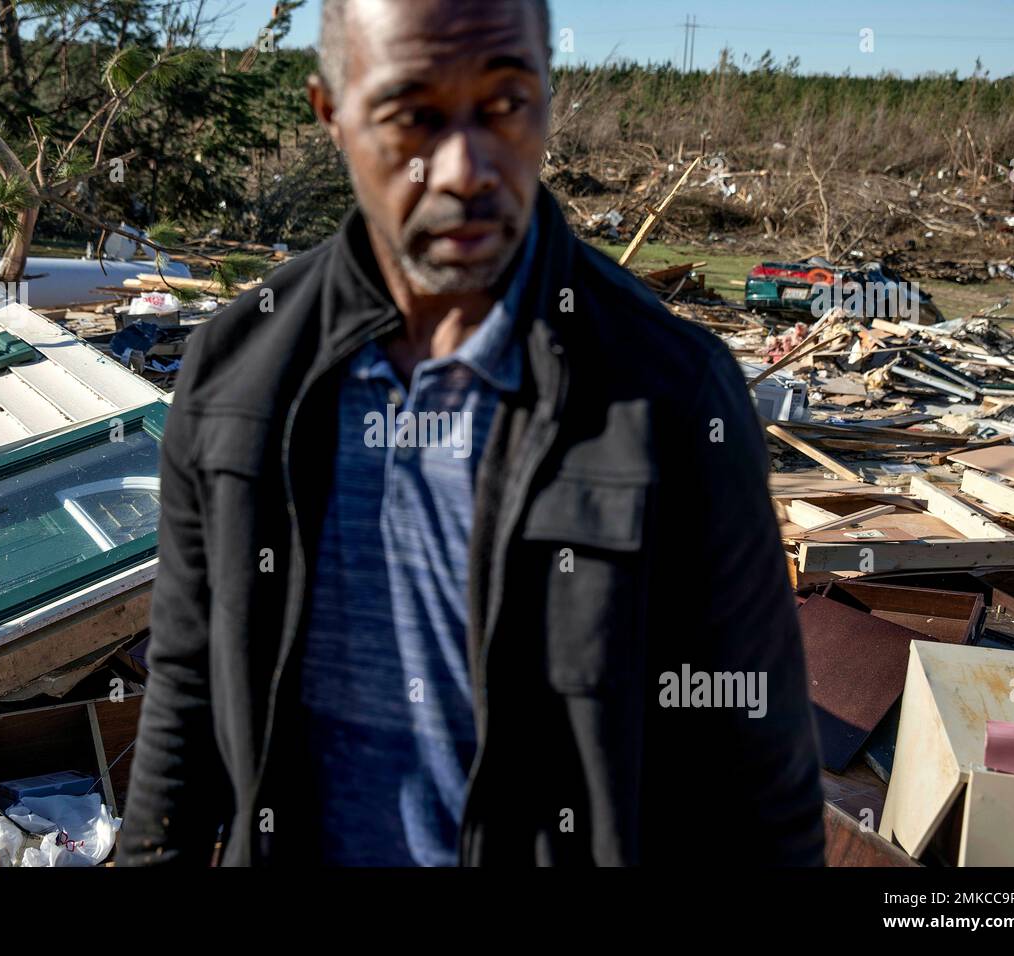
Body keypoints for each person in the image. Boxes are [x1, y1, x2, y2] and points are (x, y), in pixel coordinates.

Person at [119, 0, 825, 866]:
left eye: (505, 103)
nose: (464, 168)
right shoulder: (238, 370)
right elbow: (187, 684)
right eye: (414, 115)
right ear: (330, 114)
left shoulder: (668, 395)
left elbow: (755, 783)